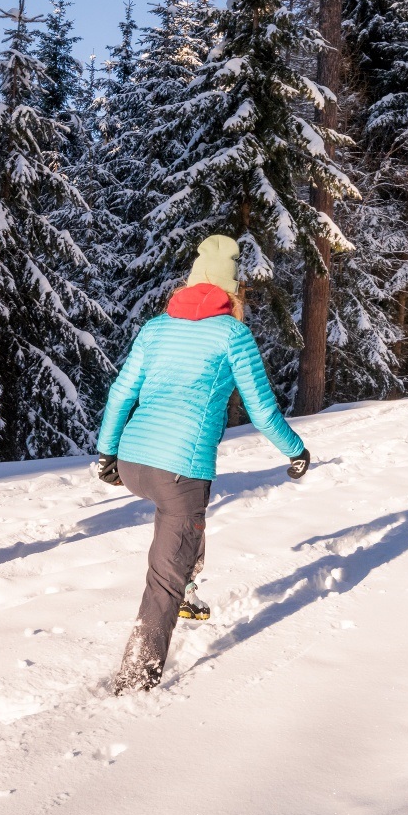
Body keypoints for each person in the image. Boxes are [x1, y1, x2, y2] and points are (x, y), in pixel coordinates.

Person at [96, 235, 311, 694]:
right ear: (232, 293)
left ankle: (190, 595)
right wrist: (296, 451)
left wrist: (107, 452)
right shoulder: (232, 333)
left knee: (187, 524)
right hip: (181, 470)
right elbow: (262, 408)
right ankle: (136, 678)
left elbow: (121, 392)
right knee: (163, 575)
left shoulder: (155, 327)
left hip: (135, 460)